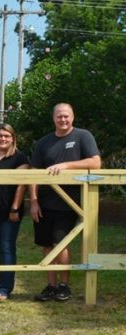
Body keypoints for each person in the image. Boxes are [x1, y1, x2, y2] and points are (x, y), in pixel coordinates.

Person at [30, 103, 101, 302]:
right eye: (59, 116)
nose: (63, 120)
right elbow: (34, 174)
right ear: (53, 118)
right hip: (44, 203)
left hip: (70, 204)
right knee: (46, 245)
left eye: (66, 116)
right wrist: (34, 201)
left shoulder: (82, 136)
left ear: (73, 117)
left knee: (60, 243)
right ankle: (51, 286)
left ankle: (64, 285)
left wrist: (66, 165)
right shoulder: (44, 142)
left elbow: (95, 162)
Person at [0, 124, 29, 301]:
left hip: (10, 211)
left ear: (13, 138)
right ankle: (0, 285)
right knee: (1, 248)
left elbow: (22, 185)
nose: (3, 139)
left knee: (7, 247)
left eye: (7, 136)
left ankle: (5, 288)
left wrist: (15, 208)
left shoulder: (19, 157)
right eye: (0, 135)